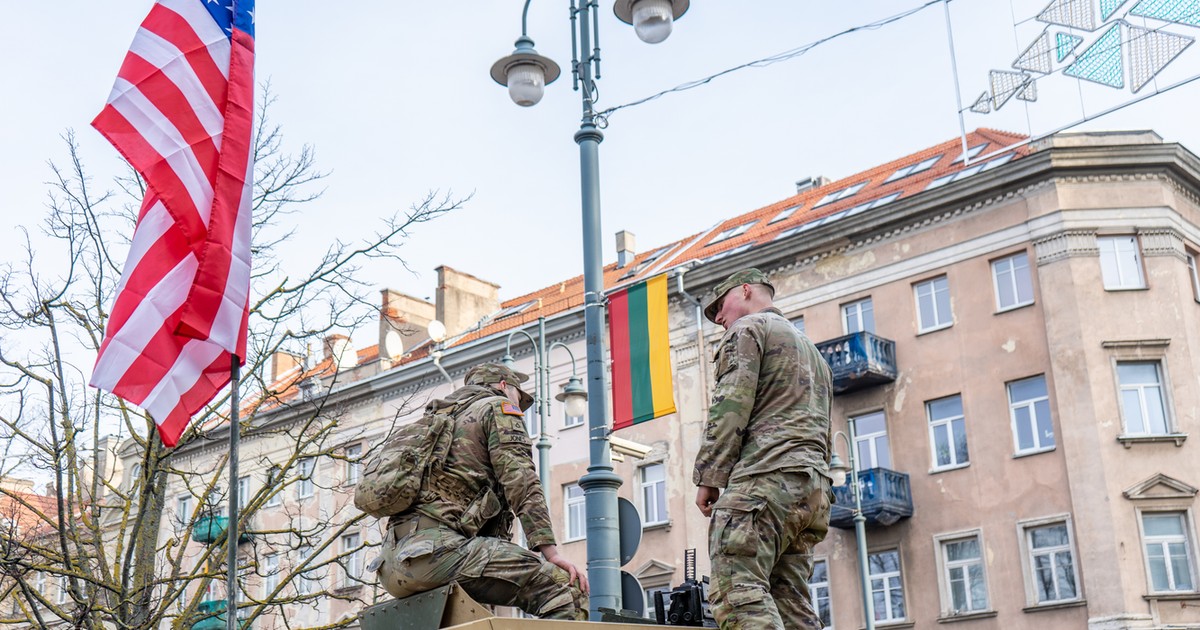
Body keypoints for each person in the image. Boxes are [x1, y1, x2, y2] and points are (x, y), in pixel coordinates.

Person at [375, 362, 589, 619]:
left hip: (392, 566)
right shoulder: (497, 407)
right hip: (438, 554)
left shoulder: (438, 422)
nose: (519, 406)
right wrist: (550, 554)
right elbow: (521, 481)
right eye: (519, 397)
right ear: (504, 386)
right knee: (565, 587)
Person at [693, 268, 834, 630]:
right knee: (791, 602)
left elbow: (730, 406)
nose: (718, 318)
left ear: (745, 290)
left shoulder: (749, 329)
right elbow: (824, 428)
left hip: (765, 479)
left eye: (720, 307)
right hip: (812, 491)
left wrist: (709, 476)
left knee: (736, 591)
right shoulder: (812, 352)